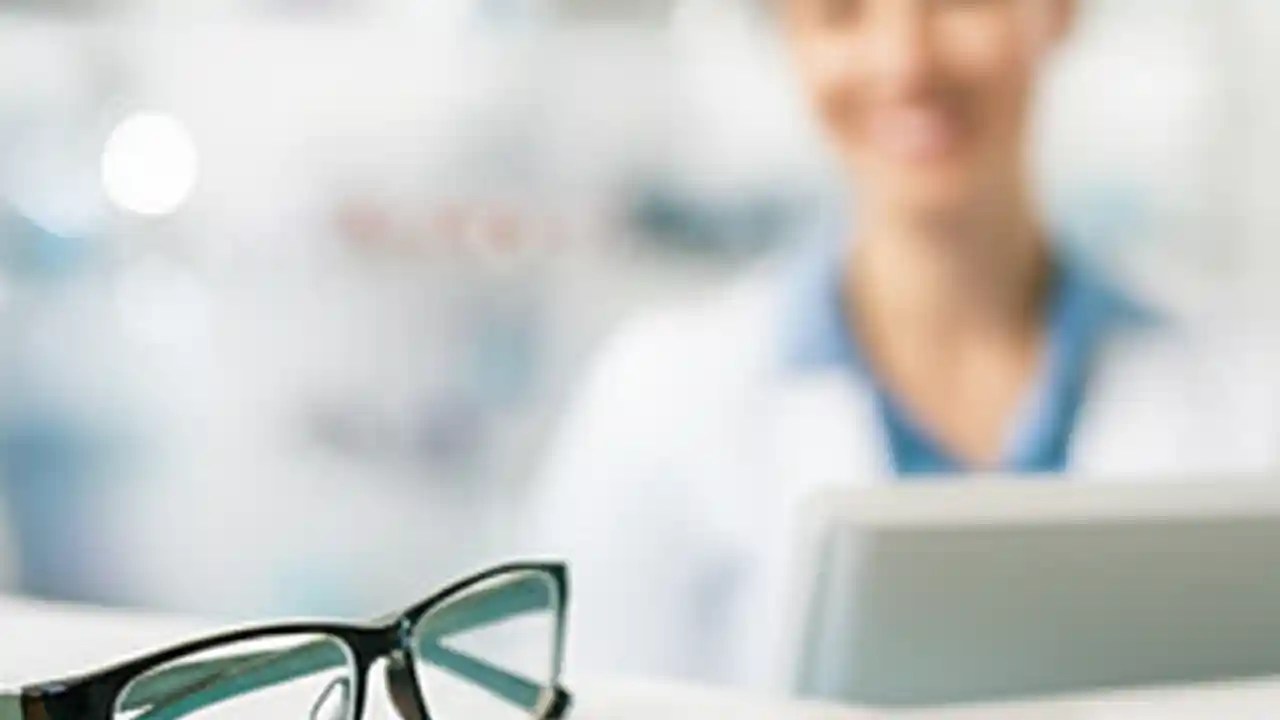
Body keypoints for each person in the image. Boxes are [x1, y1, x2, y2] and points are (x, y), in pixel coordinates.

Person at [531, 0, 1280, 693]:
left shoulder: (1245, 393)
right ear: (788, 36)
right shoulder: (660, 398)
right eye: (841, 12)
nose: (905, 62)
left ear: (1057, 11)